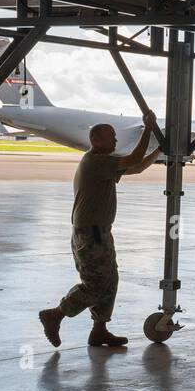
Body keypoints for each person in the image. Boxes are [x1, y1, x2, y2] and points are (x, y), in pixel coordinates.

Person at [39, 115, 159, 348]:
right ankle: (55, 314)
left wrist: (159, 152)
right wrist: (149, 129)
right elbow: (134, 158)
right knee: (95, 284)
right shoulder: (95, 161)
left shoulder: (103, 162)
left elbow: (137, 166)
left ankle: (99, 330)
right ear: (97, 140)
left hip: (99, 233)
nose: (115, 141)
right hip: (91, 235)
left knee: (109, 280)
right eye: (111, 137)